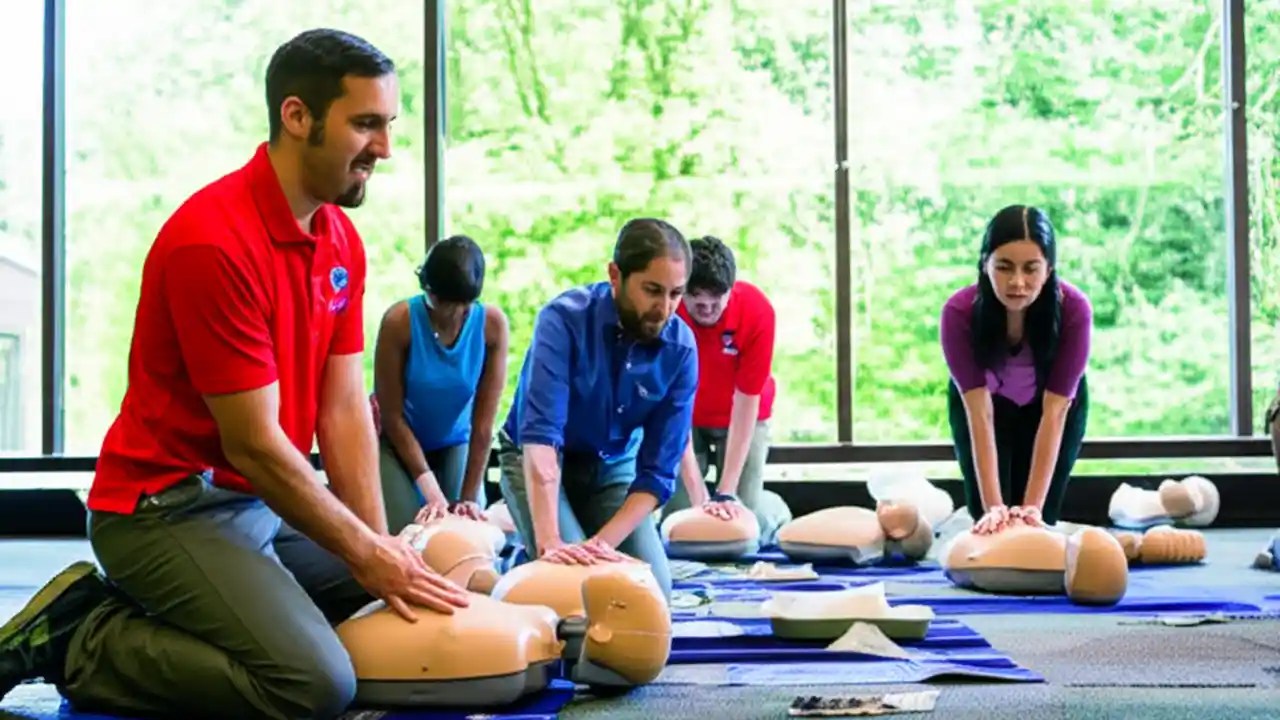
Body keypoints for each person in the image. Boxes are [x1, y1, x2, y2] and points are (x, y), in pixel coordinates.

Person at [0, 29, 468, 720]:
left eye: (388, 124)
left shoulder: (339, 238)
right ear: (297, 116)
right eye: (365, 124)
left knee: (434, 581)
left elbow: (342, 411)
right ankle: (82, 636)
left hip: (256, 505)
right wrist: (367, 558)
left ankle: (202, 610)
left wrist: (378, 550)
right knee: (314, 685)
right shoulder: (213, 242)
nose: (386, 148)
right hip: (165, 512)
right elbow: (252, 442)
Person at [496, 218, 699, 601]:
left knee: (651, 593)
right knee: (572, 590)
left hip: (612, 466)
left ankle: (536, 556)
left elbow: (657, 473)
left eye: (676, 294)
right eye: (652, 290)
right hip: (534, 458)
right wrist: (551, 543)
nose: (664, 309)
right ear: (615, 275)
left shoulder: (682, 350)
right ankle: (518, 569)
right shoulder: (562, 320)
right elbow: (541, 440)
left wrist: (602, 546)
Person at [940, 204, 1092, 535]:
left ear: (1049, 269)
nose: (1018, 282)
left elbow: (1054, 413)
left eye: (1031, 269)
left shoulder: (1075, 311)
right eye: (1004, 267)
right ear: (984, 265)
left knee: (1036, 525)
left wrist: (1032, 510)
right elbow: (979, 415)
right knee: (991, 523)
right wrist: (994, 507)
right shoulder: (958, 313)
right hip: (985, 409)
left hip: (1052, 410)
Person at [372, 235, 509, 534]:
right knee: (410, 531)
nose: (452, 314)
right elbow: (391, 416)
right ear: (428, 290)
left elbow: (484, 423)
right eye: (443, 302)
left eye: (462, 305)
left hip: (453, 442)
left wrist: (470, 498)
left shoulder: (491, 325)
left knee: (466, 529)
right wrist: (431, 490)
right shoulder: (400, 321)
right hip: (396, 443)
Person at [660, 236, 778, 536]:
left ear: (731, 289)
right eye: (696, 299)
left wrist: (725, 492)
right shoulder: (665, 316)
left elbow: (747, 398)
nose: (707, 309)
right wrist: (699, 497)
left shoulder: (757, 311)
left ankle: (775, 508)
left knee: (743, 515)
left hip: (741, 416)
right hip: (685, 416)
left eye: (717, 300)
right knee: (682, 518)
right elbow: (671, 405)